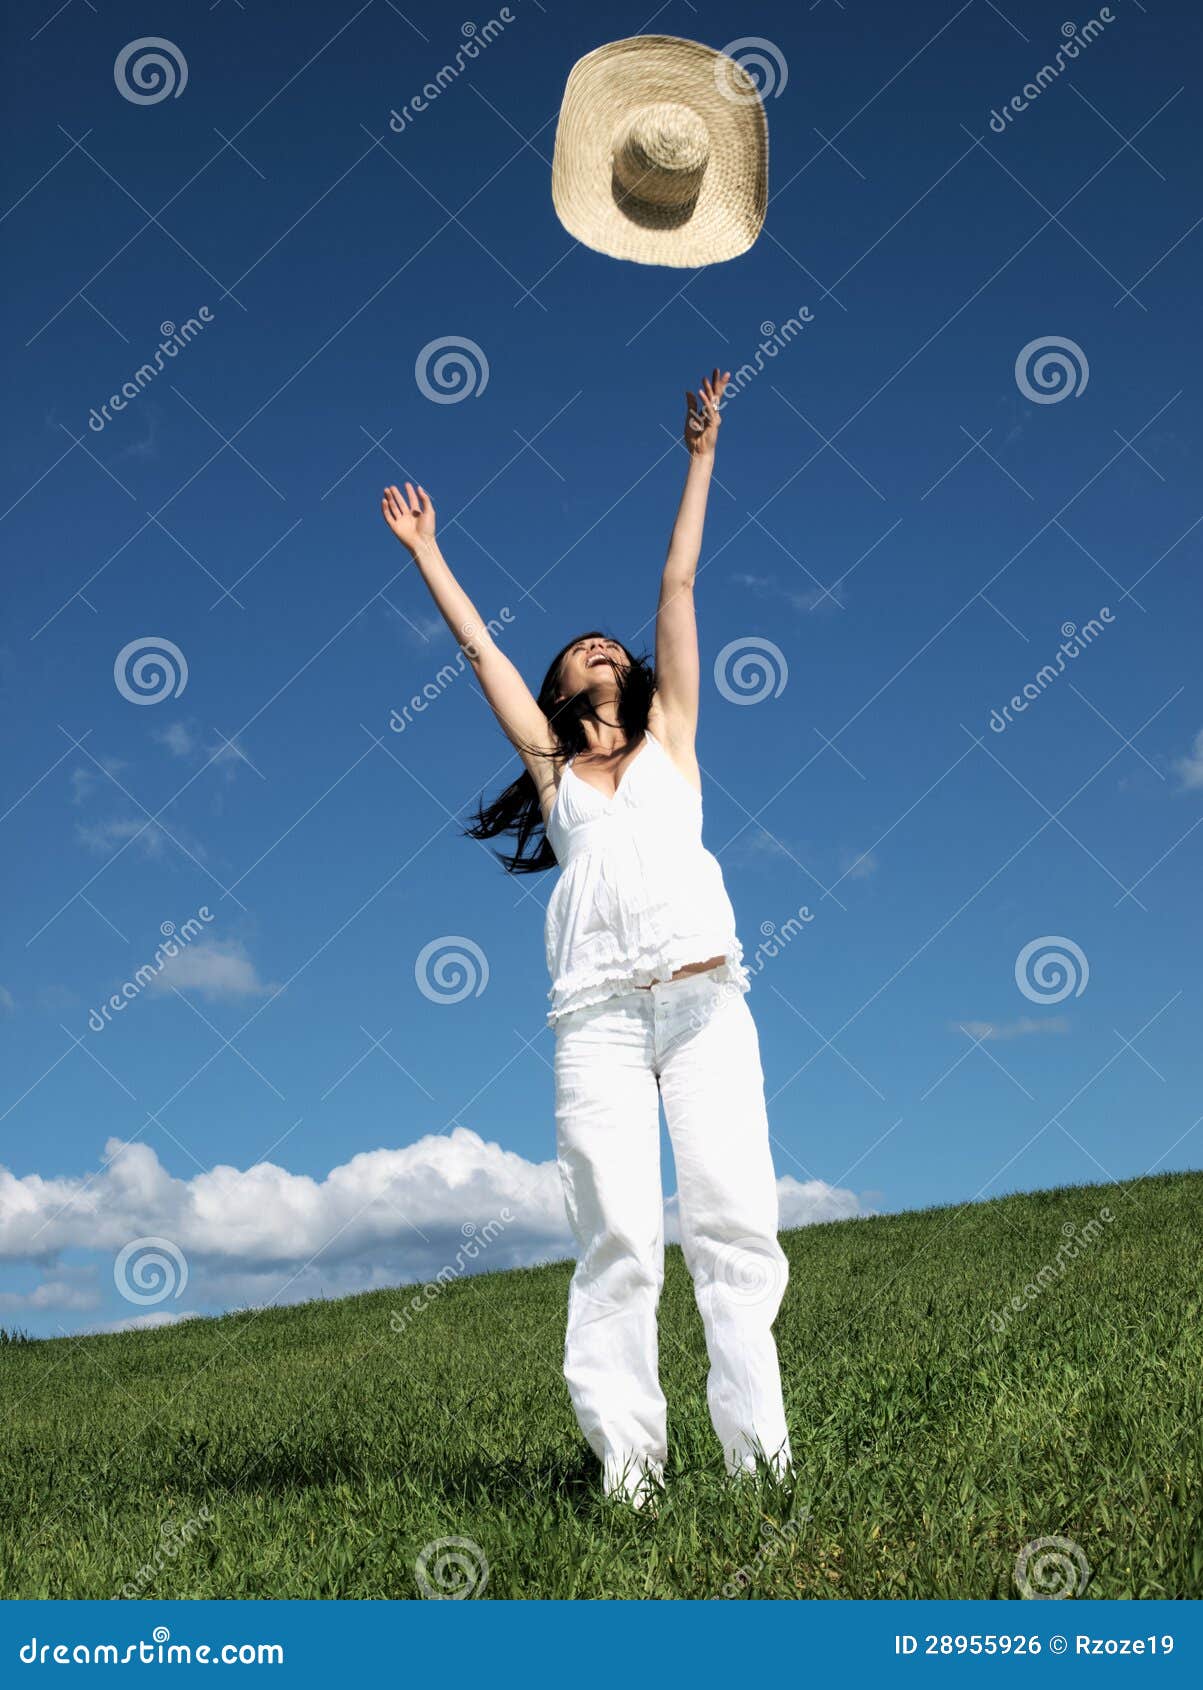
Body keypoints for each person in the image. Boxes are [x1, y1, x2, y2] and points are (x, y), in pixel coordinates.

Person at [380, 370, 792, 1510]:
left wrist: (701, 456)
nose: (602, 646)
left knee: (733, 1226)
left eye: (612, 643)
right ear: (562, 688)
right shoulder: (555, 769)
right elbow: (482, 656)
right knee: (616, 1238)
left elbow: (677, 581)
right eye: (580, 649)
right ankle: (632, 1480)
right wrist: (427, 552)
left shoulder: (673, 735)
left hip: (704, 1004)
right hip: (597, 1021)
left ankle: (761, 1471)